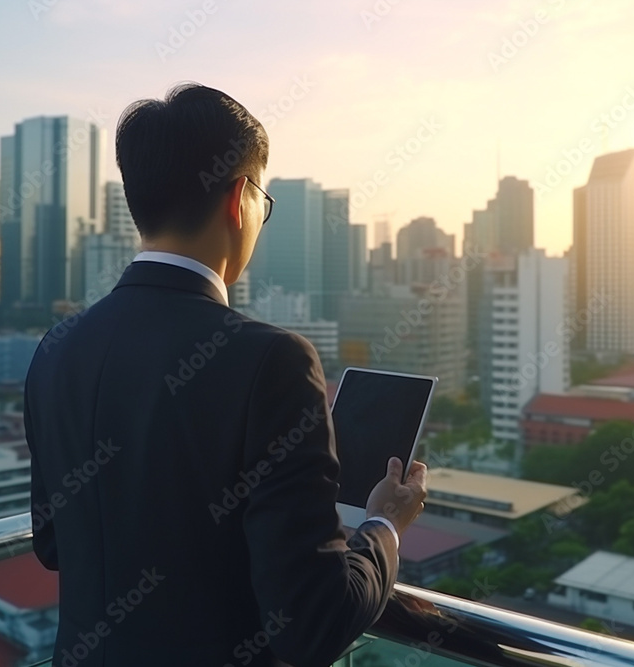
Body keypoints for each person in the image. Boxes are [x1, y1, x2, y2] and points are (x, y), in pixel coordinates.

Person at [24, 82, 428, 667]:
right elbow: (311, 625)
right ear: (240, 198)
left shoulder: (57, 345)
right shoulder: (272, 360)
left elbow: (53, 542)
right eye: (264, 200)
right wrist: (383, 525)